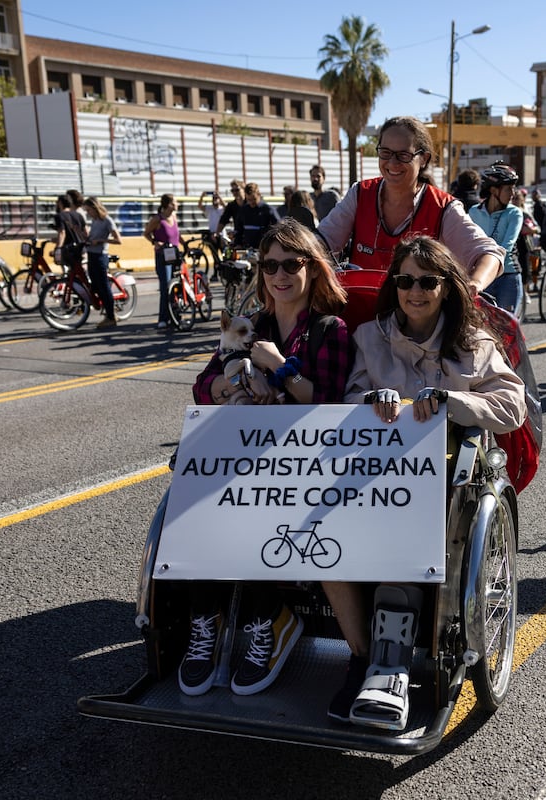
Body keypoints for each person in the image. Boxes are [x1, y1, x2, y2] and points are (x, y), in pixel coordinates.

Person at [328, 235, 526, 728]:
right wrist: (372, 399)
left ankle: (389, 667)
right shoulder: (369, 338)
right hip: (374, 471)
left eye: (427, 282)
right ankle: (358, 653)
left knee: (407, 524)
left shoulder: (474, 343)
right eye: (406, 281)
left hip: (447, 479)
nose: (415, 291)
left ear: (446, 286)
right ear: (394, 285)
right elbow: (348, 397)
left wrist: (453, 401)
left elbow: (512, 405)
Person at [181, 218, 353, 697]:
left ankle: (269, 619)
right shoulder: (248, 326)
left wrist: (279, 368)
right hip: (245, 454)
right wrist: (236, 380)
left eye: (291, 264)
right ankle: (205, 619)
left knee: (252, 510)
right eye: (270, 265)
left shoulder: (329, 330)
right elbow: (203, 388)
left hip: (305, 462)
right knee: (194, 508)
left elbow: (331, 406)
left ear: (312, 269)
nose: (280, 274)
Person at [316, 116, 504, 292]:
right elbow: (321, 242)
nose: (392, 162)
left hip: (416, 313)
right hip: (360, 310)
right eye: (385, 153)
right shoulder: (359, 194)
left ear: (424, 159)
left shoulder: (443, 207)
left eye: (403, 155)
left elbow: (489, 253)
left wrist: (475, 284)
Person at [468, 162, 524, 314]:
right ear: (494, 190)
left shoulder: (514, 213)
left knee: (506, 324)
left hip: (508, 276)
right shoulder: (474, 212)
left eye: (513, 188)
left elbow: (508, 245)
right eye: (508, 189)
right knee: (480, 323)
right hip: (482, 276)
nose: (513, 193)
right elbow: (469, 243)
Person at [143, 193, 180, 331]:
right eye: (175, 202)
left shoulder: (174, 217)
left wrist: (185, 245)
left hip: (175, 254)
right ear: (169, 204)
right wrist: (155, 242)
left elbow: (177, 235)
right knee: (165, 286)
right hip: (163, 256)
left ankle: (175, 314)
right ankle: (163, 318)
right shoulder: (157, 219)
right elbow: (146, 233)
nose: (178, 204)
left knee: (177, 286)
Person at [83, 196, 122, 328]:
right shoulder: (94, 221)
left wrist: (100, 241)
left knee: (103, 287)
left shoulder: (107, 220)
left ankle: (110, 317)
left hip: (100, 256)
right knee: (94, 285)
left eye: (89, 210)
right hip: (91, 255)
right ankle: (109, 310)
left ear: (95, 208)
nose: (88, 213)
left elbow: (118, 240)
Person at [234, 183, 279, 250]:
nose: (252, 202)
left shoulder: (268, 210)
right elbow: (238, 230)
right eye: (249, 200)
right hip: (247, 249)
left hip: (264, 249)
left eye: (254, 199)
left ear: (259, 195)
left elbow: (278, 229)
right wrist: (238, 244)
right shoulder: (243, 211)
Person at [53, 192, 88, 276]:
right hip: (81, 248)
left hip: (69, 250)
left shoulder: (59, 216)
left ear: (60, 203)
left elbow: (62, 233)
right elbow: (86, 232)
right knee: (82, 272)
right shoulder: (78, 215)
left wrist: (58, 248)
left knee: (70, 274)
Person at [198, 189, 227, 263]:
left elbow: (226, 207)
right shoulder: (209, 208)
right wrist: (202, 196)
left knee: (225, 255)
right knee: (215, 256)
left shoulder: (221, 209)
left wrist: (219, 196)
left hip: (221, 235)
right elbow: (200, 206)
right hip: (212, 235)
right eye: (214, 198)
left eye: (216, 198)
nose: (215, 200)